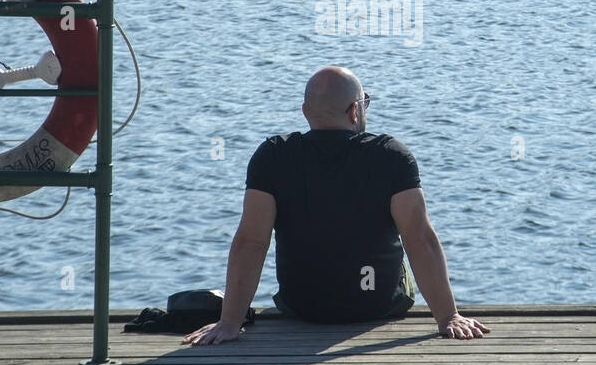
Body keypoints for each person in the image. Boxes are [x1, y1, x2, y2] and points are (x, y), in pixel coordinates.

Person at [183, 65, 490, 344]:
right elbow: (419, 239)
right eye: (365, 102)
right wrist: (449, 316)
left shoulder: (272, 156)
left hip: (303, 306)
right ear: (355, 111)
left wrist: (229, 321)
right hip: (377, 304)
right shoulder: (391, 156)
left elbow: (251, 241)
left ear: (305, 112)